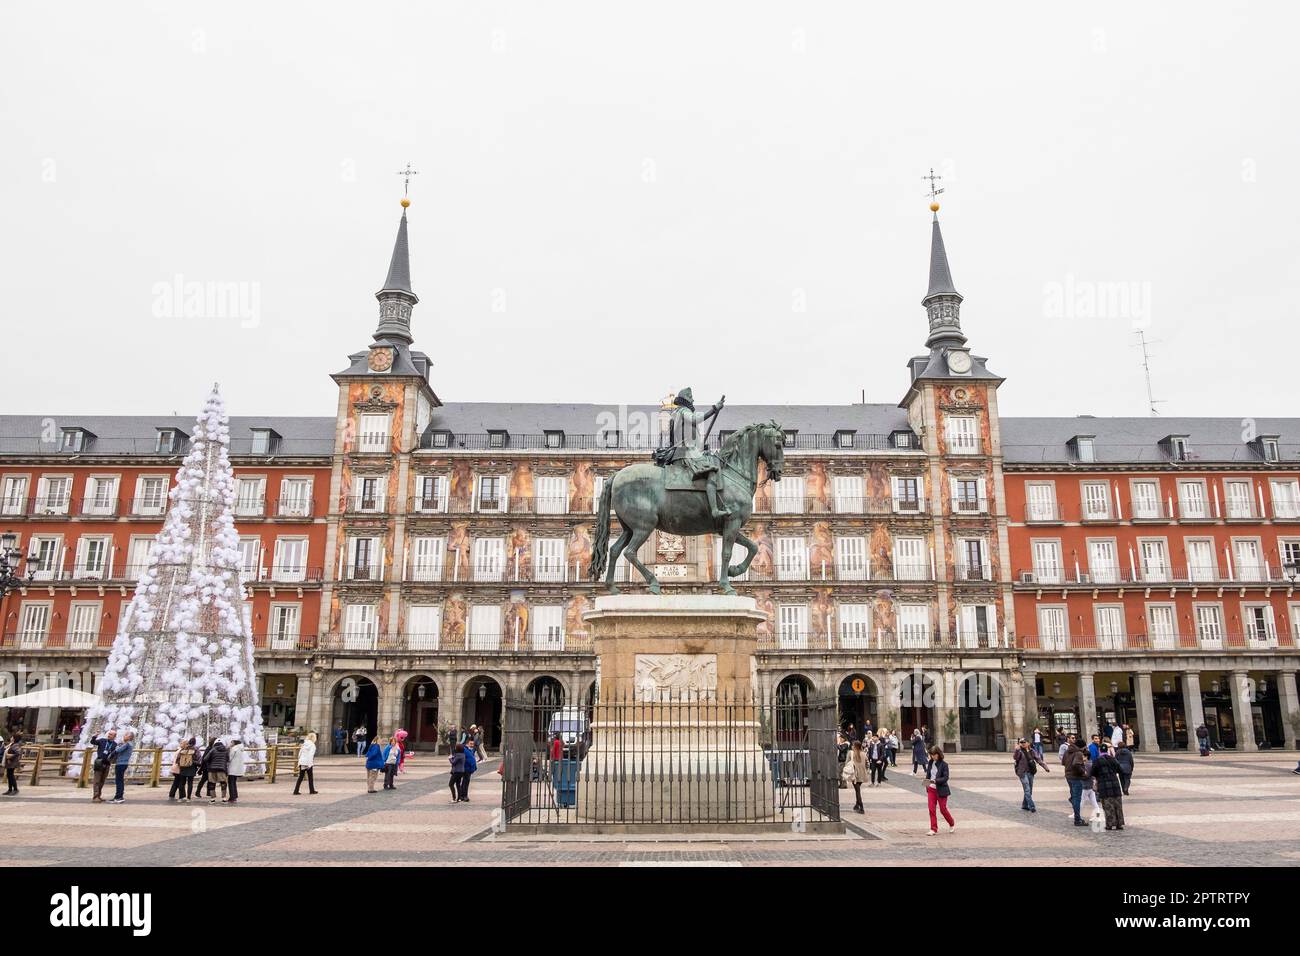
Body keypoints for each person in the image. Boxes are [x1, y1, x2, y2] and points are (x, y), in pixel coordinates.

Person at [660, 387, 731, 518]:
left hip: (681, 451)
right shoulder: (683, 411)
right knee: (711, 471)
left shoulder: (674, 415)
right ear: (686, 399)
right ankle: (714, 510)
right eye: (691, 397)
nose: (693, 400)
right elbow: (694, 419)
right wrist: (714, 409)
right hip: (686, 453)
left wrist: (699, 447)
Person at [1090, 742, 1126, 830]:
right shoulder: (1113, 759)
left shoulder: (1097, 761)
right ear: (1107, 750)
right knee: (1117, 805)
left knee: (1107, 805)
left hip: (1104, 785)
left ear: (1099, 750)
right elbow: (1120, 770)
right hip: (1115, 784)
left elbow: (1092, 773)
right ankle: (1119, 824)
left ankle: (1109, 824)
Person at [1013, 737, 1050, 812]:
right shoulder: (1019, 751)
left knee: (1029, 790)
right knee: (1027, 789)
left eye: (1024, 742)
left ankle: (1024, 805)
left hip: (1030, 772)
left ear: (1028, 743)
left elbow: (1038, 759)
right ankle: (1031, 806)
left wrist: (1045, 767)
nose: (1023, 744)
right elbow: (1015, 758)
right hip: (1022, 773)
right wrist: (1016, 750)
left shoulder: (1032, 751)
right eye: (1021, 742)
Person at [924, 746, 954, 835]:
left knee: (943, 809)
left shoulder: (944, 765)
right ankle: (933, 828)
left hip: (941, 789)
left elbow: (946, 777)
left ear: (938, 754)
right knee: (931, 809)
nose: (933, 757)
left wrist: (936, 781)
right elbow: (928, 775)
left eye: (935, 755)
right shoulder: (930, 763)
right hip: (931, 789)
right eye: (931, 755)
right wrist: (927, 785)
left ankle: (951, 823)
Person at [1062, 734, 1090, 826]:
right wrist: (1083, 772)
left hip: (1068, 776)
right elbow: (1076, 764)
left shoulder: (1067, 751)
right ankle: (1077, 819)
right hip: (1076, 777)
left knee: (1074, 796)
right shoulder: (1078, 753)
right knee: (1077, 798)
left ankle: (1073, 804)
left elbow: (1063, 762)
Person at [89, 729, 117, 802]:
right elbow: (93, 742)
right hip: (99, 762)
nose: (109, 735)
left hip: (107, 763)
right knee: (97, 780)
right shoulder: (102, 741)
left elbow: (113, 754)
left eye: (111, 734)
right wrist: (95, 736)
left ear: (114, 736)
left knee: (102, 780)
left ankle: (99, 795)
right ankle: (95, 796)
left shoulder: (114, 744)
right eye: (109, 734)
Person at [841, 740, 868, 813]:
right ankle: (857, 804)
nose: (852, 746)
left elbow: (846, 762)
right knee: (857, 789)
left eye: (853, 745)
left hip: (854, 774)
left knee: (857, 791)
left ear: (855, 746)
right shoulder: (863, 753)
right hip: (862, 774)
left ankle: (861, 806)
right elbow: (867, 763)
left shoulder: (851, 753)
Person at [168, 737, 198, 801]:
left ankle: (176, 796)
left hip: (180, 768)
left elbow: (176, 760)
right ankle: (185, 797)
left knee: (179, 782)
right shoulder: (190, 750)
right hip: (183, 768)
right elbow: (198, 759)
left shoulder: (180, 751)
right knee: (185, 782)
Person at [110, 731, 135, 804]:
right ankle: (118, 796)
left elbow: (118, 750)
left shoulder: (127, 744)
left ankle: (119, 797)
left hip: (121, 763)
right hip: (123, 763)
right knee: (119, 780)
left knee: (119, 780)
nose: (124, 736)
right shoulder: (129, 744)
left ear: (129, 737)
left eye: (125, 735)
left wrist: (113, 752)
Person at [204, 737, 229, 803]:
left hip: (212, 769)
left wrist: (210, 762)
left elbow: (205, 759)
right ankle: (224, 798)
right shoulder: (225, 750)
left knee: (212, 783)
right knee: (223, 783)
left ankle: (213, 799)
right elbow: (228, 759)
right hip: (222, 769)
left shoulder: (213, 750)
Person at [226, 737, 245, 804]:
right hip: (237, 768)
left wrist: (228, 749)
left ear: (234, 742)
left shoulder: (234, 749)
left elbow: (230, 758)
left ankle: (232, 797)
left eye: (231, 742)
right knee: (233, 782)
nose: (230, 743)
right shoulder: (240, 748)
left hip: (233, 768)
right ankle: (234, 796)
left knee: (231, 783)